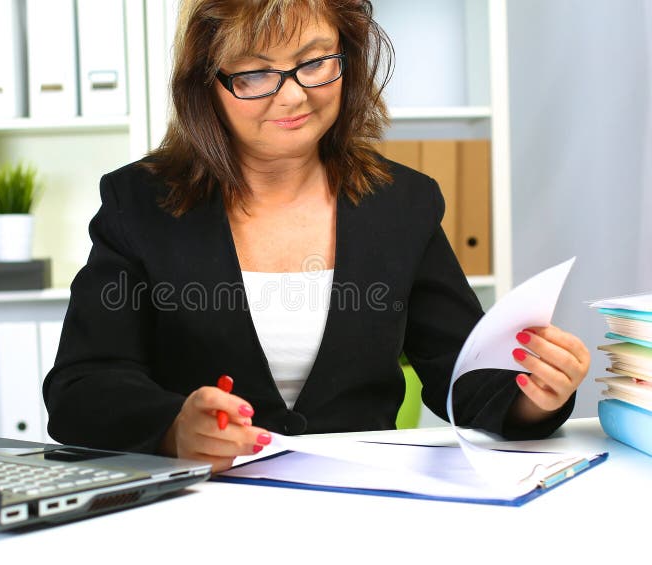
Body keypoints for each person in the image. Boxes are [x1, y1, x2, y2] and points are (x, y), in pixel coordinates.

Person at [43, 0, 590, 472]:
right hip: (201, 509)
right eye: (254, 73)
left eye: (314, 62)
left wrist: (534, 397)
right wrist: (173, 429)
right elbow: (81, 387)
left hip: (364, 508)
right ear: (204, 84)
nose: (293, 97)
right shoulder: (139, 202)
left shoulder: (404, 204)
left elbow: (467, 380)